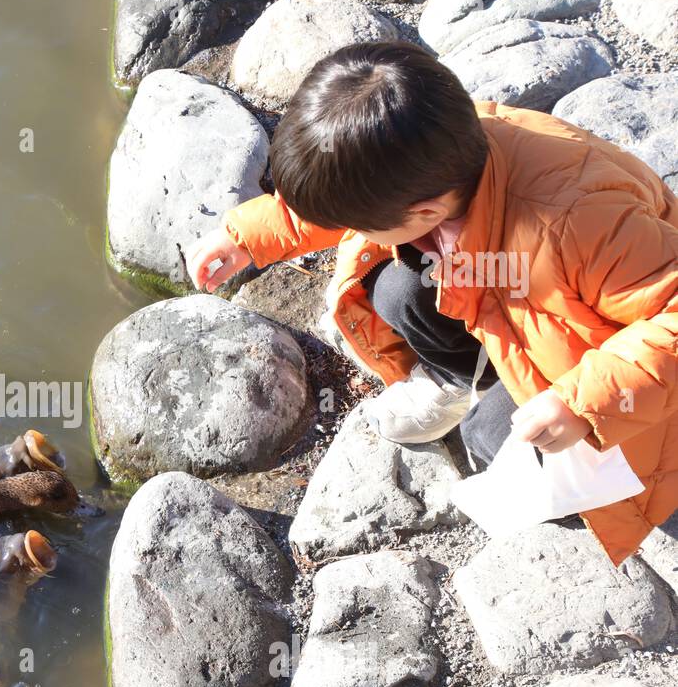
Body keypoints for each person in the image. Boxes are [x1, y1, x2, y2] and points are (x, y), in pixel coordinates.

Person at [186, 41, 678, 565]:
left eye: (362, 223)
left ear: (425, 210)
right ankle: (462, 378)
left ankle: (598, 497)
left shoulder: (580, 221)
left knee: (488, 438)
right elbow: (341, 196)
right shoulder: (435, 149)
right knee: (397, 288)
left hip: (602, 354)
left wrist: (583, 405)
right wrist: (249, 236)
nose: (350, 228)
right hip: (519, 298)